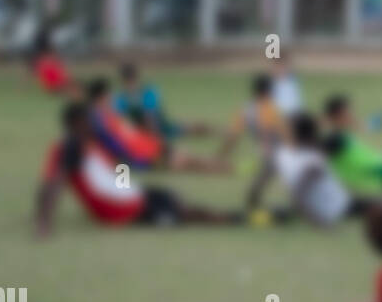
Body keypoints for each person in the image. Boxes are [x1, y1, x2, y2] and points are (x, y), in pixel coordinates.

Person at [35, 103, 243, 237]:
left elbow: (117, 165)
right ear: (75, 123)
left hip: (129, 197)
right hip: (120, 208)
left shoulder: (90, 143)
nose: (93, 123)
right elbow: (53, 183)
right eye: (88, 120)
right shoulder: (70, 146)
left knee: (171, 197)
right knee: (176, 210)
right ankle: (229, 218)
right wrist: (44, 222)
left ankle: (224, 217)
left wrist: (127, 183)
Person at [247, 114, 382, 227]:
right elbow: (299, 193)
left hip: (332, 205)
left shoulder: (280, 155)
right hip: (337, 208)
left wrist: (253, 202)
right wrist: (316, 220)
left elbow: (261, 183)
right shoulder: (314, 160)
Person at [87, 78, 229, 174]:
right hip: (140, 156)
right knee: (183, 160)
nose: (111, 97)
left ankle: (219, 164)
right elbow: (115, 146)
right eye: (108, 94)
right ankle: (221, 166)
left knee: (184, 155)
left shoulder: (108, 114)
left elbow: (129, 133)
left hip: (149, 146)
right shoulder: (99, 118)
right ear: (102, 96)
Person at [114, 63, 214, 139]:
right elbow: (119, 120)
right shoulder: (121, 98)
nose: (131, 85)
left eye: (132, 81)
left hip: (161, 126)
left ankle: (214, 130)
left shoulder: (148, 92)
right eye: (128, 82)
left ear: (137, 79)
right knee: (186, 128)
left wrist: (154, 137)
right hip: (139, 131)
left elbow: (150, 116)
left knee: (189, 129)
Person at [218, 74, 289, 162]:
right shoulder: (272, 107)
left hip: (268, 151)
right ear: (269, 91)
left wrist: (221, 155)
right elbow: (269, 132)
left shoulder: (246, 109)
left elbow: (232, 136)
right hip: (279, 151)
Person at [28, 30, 75, 96]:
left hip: (53, 81)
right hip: (53, 82)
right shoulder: (47, 60)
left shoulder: (46, 60)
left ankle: (59, 88)